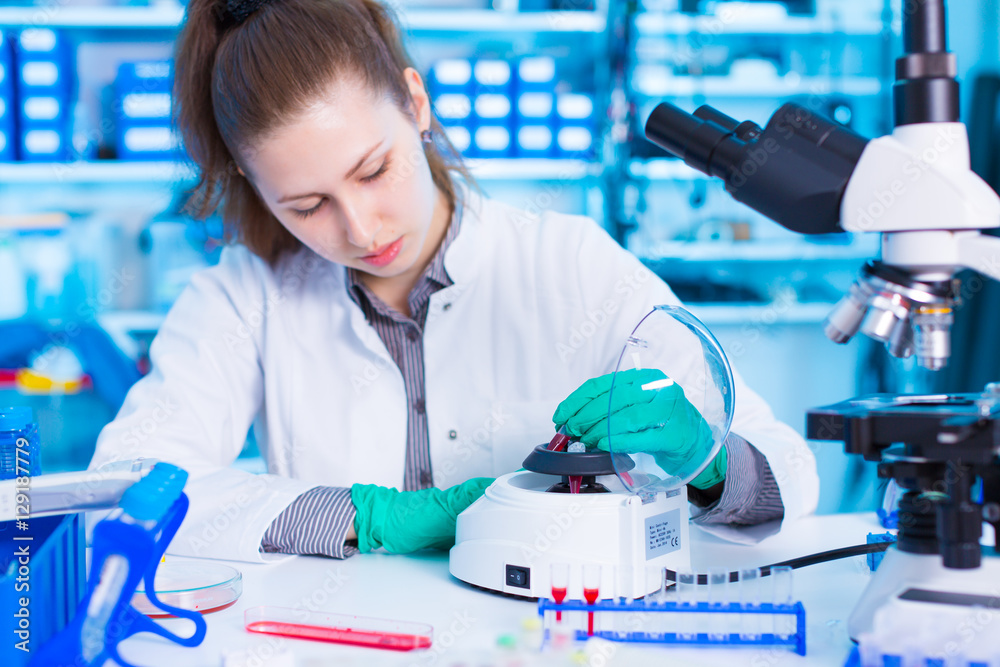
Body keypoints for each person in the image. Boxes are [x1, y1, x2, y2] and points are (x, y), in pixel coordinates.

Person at [89, 0, 819, 562]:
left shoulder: (568, 262)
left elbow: (787, 471)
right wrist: (363, 517)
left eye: (374, 170)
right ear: (255, 184)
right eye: (306, 205)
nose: (362, 230)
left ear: (416, 103)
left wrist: (707, 458)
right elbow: (124, 486)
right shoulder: (244, 293)